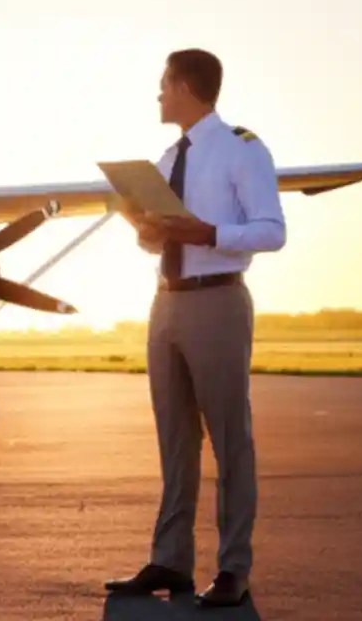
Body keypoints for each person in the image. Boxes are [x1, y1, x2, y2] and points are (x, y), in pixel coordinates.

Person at [104, 49, 286, 608]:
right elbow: (155, 240)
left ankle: (234, 568)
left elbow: (271, 231)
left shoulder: (242, 149)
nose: (158, 94)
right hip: (166, 304)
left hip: (218, 302)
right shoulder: (164, 159)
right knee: (174, 438)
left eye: (163, 84)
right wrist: (145, 228)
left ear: (185, 85)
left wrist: (204, 233)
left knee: (231, 438)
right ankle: (171, 561)